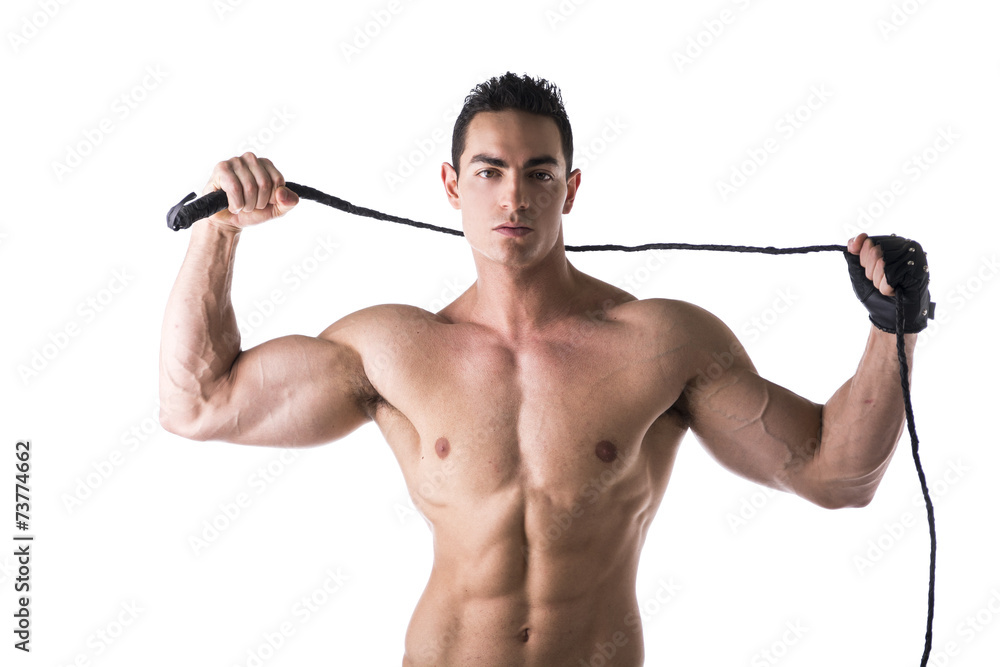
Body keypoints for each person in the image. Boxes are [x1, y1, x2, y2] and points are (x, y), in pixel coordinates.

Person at [159, 72, 928, 666]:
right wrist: (220, 232)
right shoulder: (391, 349)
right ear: (452, 186)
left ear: (571, 187)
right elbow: (196, 402)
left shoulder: (664, 342)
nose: (514, 196)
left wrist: (892, 326)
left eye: (539, 173)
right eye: (489, 172)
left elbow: (836, 474)